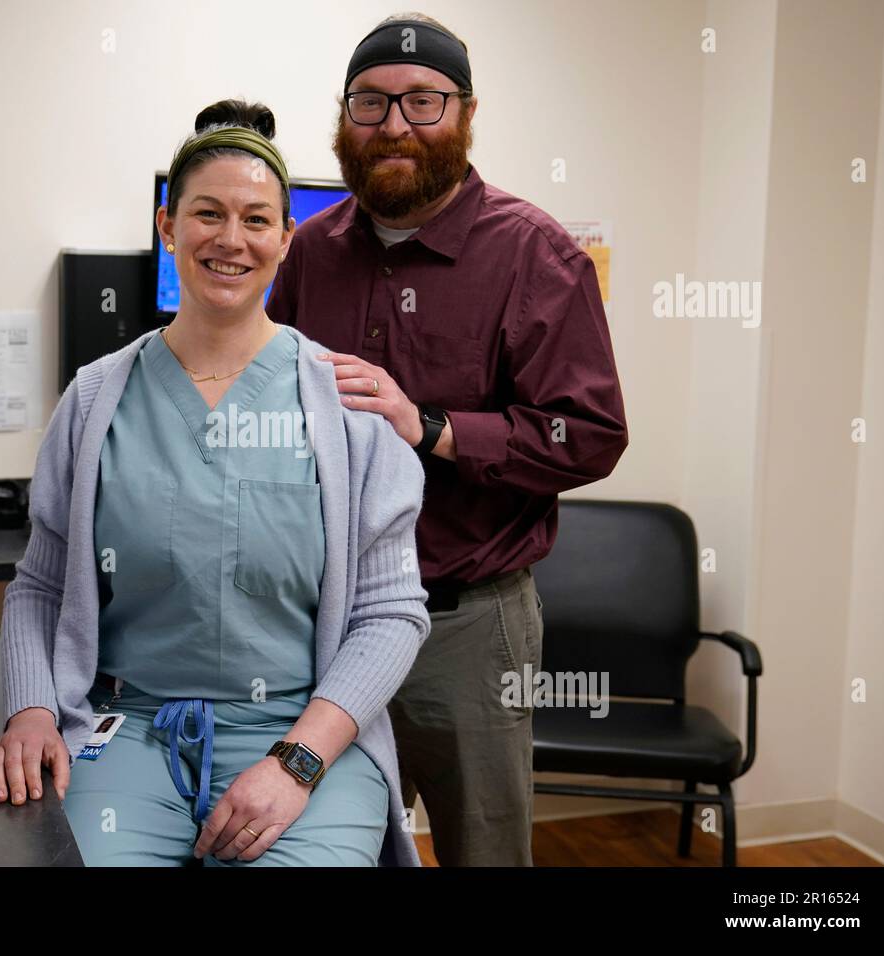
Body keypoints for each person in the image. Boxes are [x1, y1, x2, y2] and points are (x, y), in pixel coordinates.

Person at [0, 100, 431, 866]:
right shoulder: (95, 399)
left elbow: (391, 613)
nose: (230, 238)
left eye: (257, 219)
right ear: (167, 227)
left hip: (299, 731)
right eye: (207, 213)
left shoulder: (347, 407)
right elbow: (39, 586)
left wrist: (297, 762)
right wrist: (29, 710)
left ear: (287, 238)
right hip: (129, 728)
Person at [267, 14, 629, 866]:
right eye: (371, 102)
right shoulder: (308, 254)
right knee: (328, 849)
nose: (394, 124)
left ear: (467, 113)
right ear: (343, 117)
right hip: (327, 626)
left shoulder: (537, 257)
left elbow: (590, 436)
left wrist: (428, 428)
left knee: (483, 853)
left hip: (464, 630)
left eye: (422, 101)